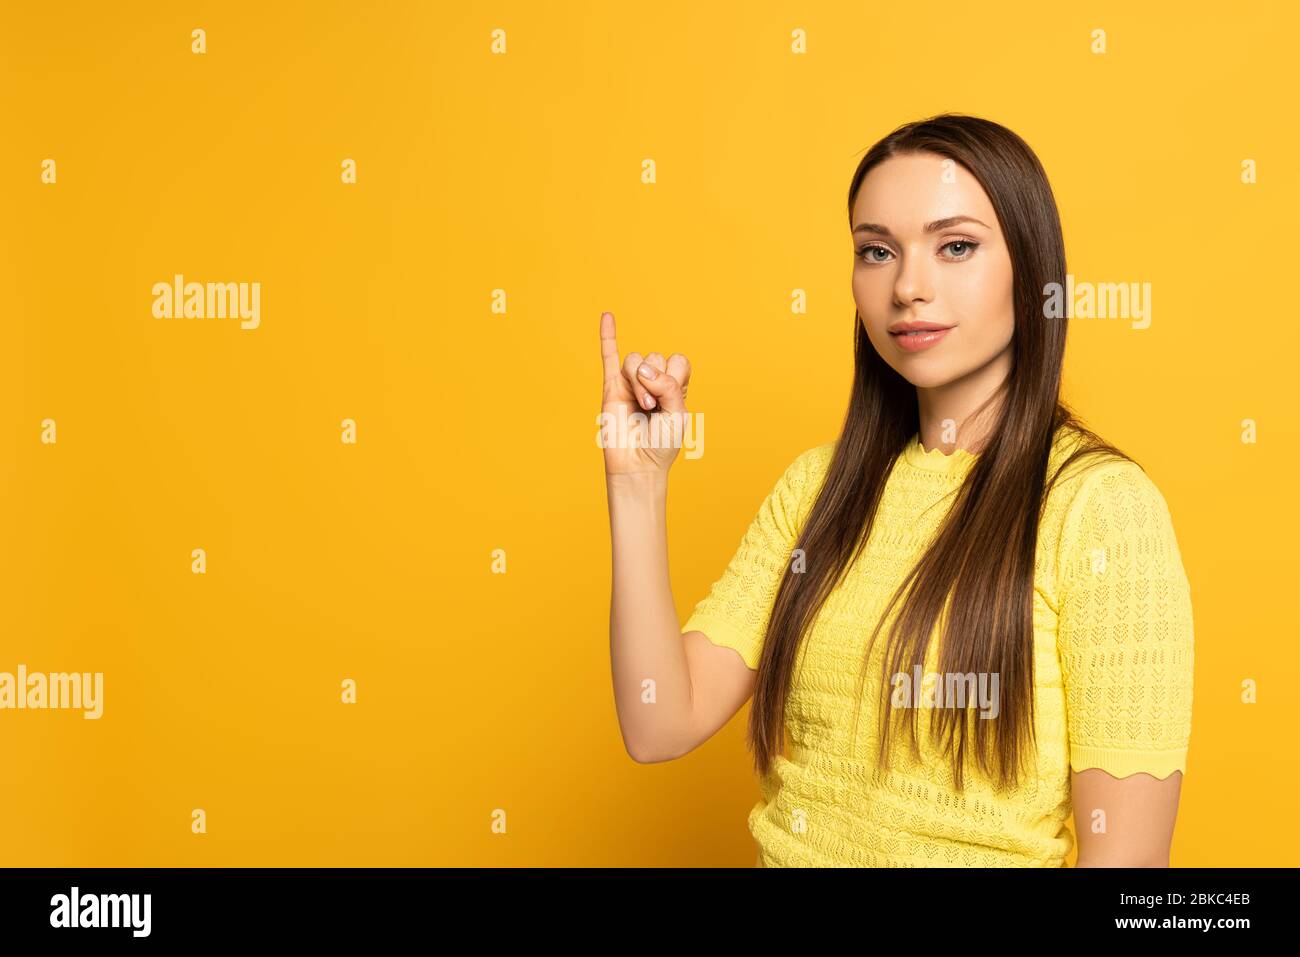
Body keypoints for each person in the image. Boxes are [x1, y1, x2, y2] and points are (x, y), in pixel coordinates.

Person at [601, 113, 1194, 867]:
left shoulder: (1101, 509)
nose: (909, 287)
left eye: (956, 246)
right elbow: (659, 724)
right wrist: (637, 486)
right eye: (877, 251)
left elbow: (1130, 871)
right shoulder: (817, 488)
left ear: (1031, 269)